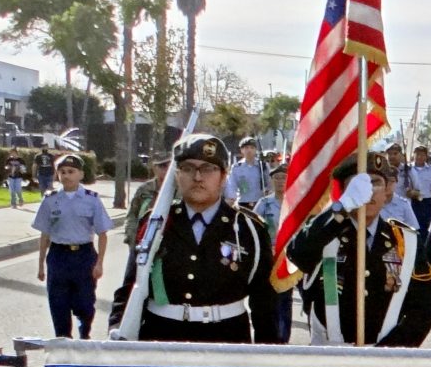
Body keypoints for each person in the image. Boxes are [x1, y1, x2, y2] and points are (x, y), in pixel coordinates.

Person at [110, 134, 279, 343]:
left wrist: (269, 355)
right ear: (177, 174)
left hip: (226, 341)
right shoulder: (156, 222)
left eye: (208, 169)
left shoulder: (248, 228)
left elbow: (264, 299)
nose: (198, 177)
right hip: (161, 340)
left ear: (224, 175)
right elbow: (131, 284)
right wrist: (117, 329)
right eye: (188, 168)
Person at [286, 155, 431, 346]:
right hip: (329, 356)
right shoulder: (325, 233)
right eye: (358, 184)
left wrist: (387, 352)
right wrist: (342, 207)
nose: (369, 191)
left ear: (387, 193)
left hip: (385, 358)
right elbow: (298, 253)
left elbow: (423, 309)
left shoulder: (406, 241)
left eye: (376, 183)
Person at [33, 153, 111, 339]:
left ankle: (85, 334)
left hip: (83, 255)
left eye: (71, 171)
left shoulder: (92, 199)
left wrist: (99, 263)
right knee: (58, 302)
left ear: (81, 175)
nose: (66, 175)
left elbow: (102, 233)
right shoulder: (50, 199)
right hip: (59, 256)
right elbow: (45, 234)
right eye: (62, 172)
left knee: (85, 302)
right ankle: (63, 340)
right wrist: (41, 265)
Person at [253, 165, 294, 343]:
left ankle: (284, 336)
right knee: (271, 298)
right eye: (276, 177)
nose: (280, 181)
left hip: (289, 256)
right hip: (269, 256)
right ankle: (273, 334)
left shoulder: (294, 203)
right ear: (271, 180)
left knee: (286, 298)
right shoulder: (264, 204)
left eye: (283, 178)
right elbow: (254, 226)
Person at [123, 153, 171, 248]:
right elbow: (132, 214)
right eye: (162, 166)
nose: (166, 169)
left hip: (169, 243)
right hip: (143, 241)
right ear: (154, 168)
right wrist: (132, 236)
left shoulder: (180, 190)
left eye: (169, 165)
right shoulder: (144, 189)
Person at [379, 142, 420, 228]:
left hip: (402, 210)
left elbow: (418, 193)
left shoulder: (409, 171)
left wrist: (411, 193)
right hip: (383, 207)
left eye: (395, 153)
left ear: (401, 155)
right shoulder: (380, 171)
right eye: (389, 154)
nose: (392, 156)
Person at [227, 136, 269, 207]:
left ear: (256, 150)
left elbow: (269, 184)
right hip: (243, 203)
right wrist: (232, 199)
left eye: (252, 148)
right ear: (242, 150)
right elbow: (232, 186)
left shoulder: (263, 166)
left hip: (260, 203)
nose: (249, 150)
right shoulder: (237, 167)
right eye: (246, 148)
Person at [406, 144, 431, 230]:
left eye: (422, 155)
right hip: (414, 202)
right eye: (417, 154)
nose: (420, 157)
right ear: (414, 155)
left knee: (428, 227)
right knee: (414, 227)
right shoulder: (408, 169)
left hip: (428, 203)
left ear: (426, 156)